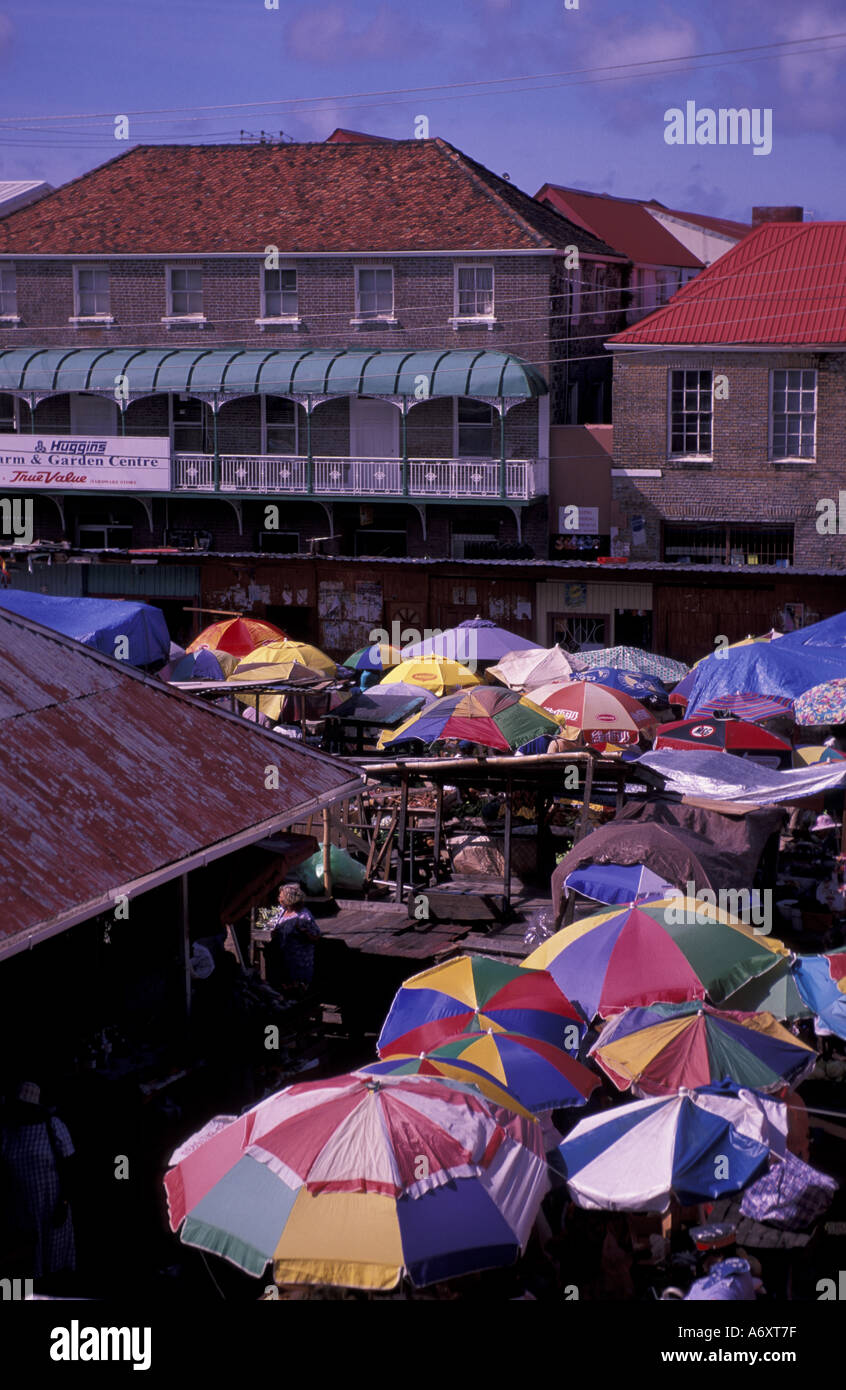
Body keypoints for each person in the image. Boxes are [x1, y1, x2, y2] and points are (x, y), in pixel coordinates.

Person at [0, 1082, 76, 1285]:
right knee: (25, 1266)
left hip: (51, 1207)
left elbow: (69, 1168)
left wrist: (64, 1202)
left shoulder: (53, 1126)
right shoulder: (7, 1132)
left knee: (54, 1263)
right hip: (21, 1212)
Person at [268, 884, 322, 993]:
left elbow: (316, 937)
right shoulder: (281, 910)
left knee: (298, 990)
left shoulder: (303, 916)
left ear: (289, 899)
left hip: (299, 961)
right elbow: (268, 923)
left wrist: (303, 932)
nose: (279, 898)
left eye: (281, 896)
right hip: (284, 957)